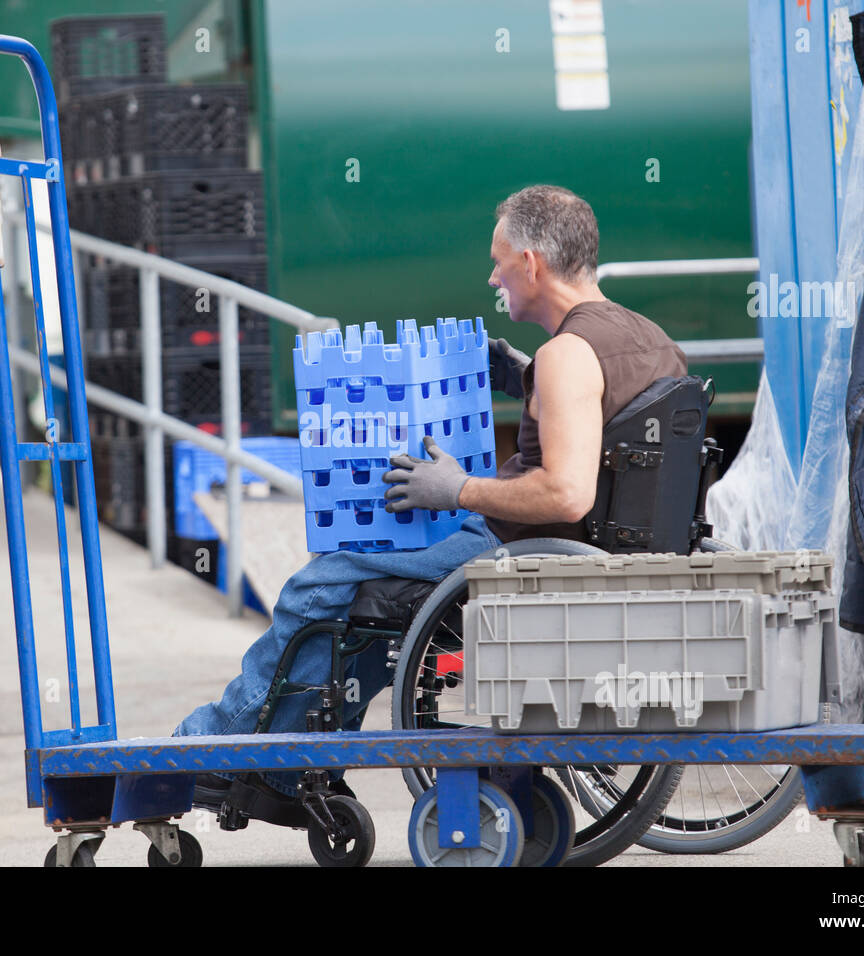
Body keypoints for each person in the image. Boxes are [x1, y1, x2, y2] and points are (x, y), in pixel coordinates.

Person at [176, 184, 688, 816]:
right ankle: (294, 761)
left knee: (320, 586)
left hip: (525, 551)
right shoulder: (648, 339)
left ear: (531, 262)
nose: (493, 274)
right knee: (362, 598)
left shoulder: (568, 357)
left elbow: (568, 491)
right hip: (605, 550)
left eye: (500, 259)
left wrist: (456, 489)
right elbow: (602, 424)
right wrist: (527, 377)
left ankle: (214, 748)